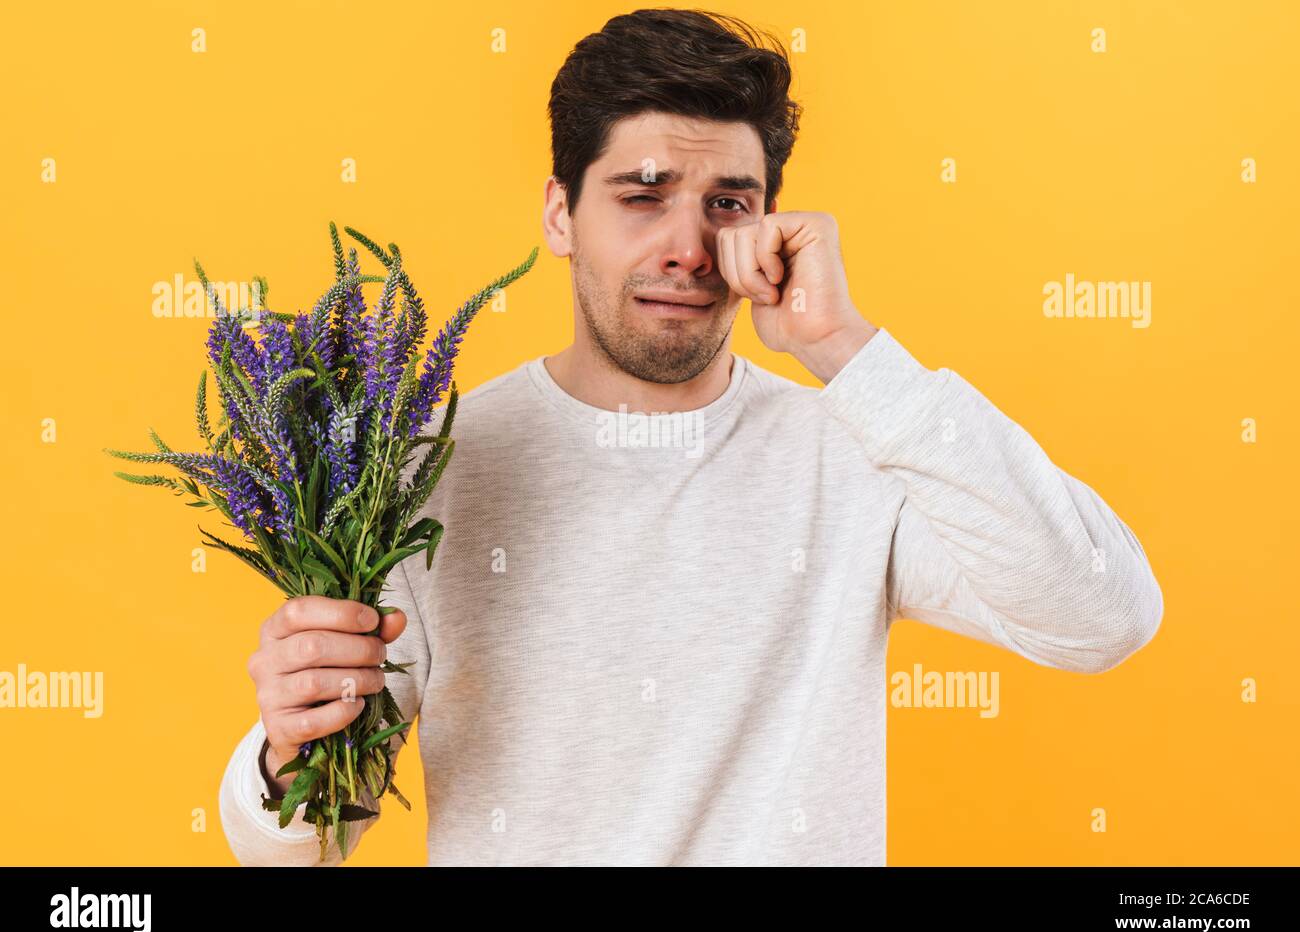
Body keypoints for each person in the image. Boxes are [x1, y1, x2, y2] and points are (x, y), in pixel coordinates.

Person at [219, 8, 1163, 866]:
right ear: (560, 213)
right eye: (643, 192)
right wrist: (284, 750)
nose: (688, 245)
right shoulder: (421, 471)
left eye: (728, 202)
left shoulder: (855, 446)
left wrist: (846, 348)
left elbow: (1102, 614)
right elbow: (302, 846)